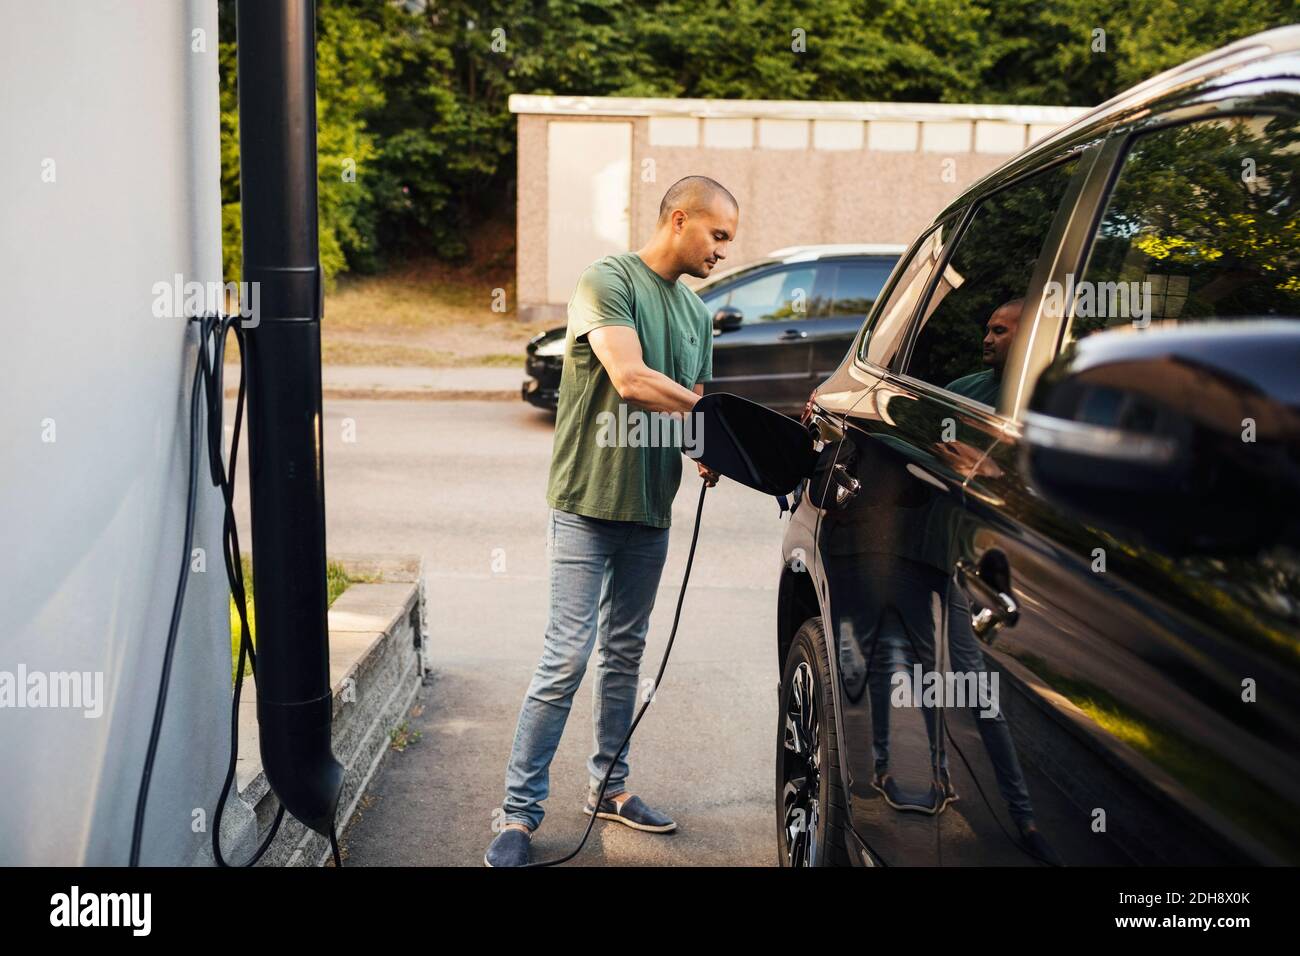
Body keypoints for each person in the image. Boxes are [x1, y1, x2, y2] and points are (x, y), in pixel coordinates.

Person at [484, 176, 737, 866]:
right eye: (718, 236)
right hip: (587, 505)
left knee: (624, 658)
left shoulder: (697, 315)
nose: (723, 252)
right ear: (679, 218)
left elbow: (695, 409)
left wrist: (710, 452)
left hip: (650, 514)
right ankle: (517, 814)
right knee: (566, 656)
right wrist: (710, 419)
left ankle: (610, 787)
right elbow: (629, 379)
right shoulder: (607, 280)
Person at [945, 298, 1022, 406]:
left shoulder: (1045, 399)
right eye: (987, 331)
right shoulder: (959, 390)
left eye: (999, 331)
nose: (986, 340)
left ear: (1026, 335)